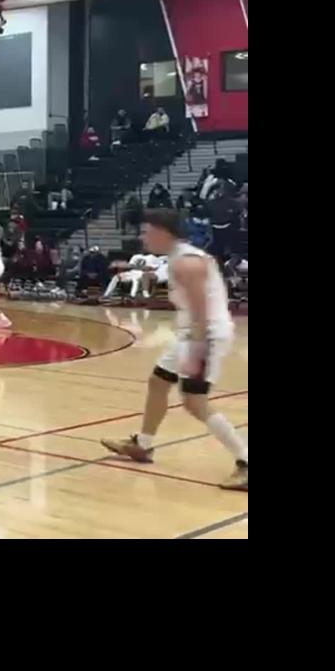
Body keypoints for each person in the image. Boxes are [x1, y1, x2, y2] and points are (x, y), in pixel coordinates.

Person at [101, 210, 246, 490]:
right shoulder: (180, 257)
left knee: (194, 402)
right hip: (192, 334)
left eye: (146, 231)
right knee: (158, 382)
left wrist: (196, 353)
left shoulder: (187, 263)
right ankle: (142, 445)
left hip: (206, 336)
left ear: (163, 232)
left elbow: (202, 312)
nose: (142, 237)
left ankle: (245, 460)